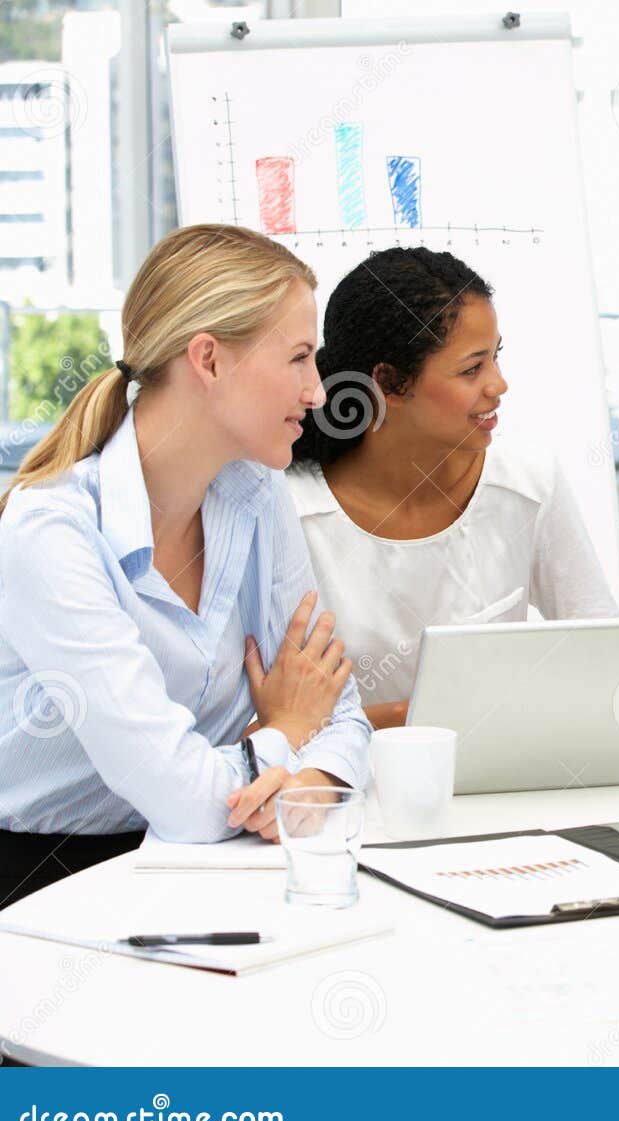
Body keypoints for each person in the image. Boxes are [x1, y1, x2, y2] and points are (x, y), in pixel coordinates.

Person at [0, 224, 372, 908]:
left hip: (220, 859)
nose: (318, 392)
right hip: (42, 882)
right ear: (208, 359)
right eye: (297, 358)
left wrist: (303, 780)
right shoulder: (50, 531)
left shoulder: (259, 496)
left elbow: (343, 717)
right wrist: (284, 733)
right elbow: (181, 796)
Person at [289, 247, 618, 728]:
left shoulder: (528, 483)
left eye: (496, 357)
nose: (498, 384)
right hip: (344, 791)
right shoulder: (292, 511)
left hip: (500, 782)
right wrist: (415, 720)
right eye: (472, 368)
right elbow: (271, 723)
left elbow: (603, 653)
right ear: (390, 382)